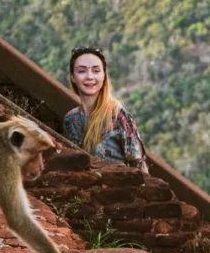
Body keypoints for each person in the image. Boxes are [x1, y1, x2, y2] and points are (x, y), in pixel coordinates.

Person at [63, 46, 149, 174]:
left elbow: (139, 166)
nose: (90, 77)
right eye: (82, 71)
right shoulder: (70, 119)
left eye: (96, 71)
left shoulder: (118, 115)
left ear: (104, 76)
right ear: (72, 77)